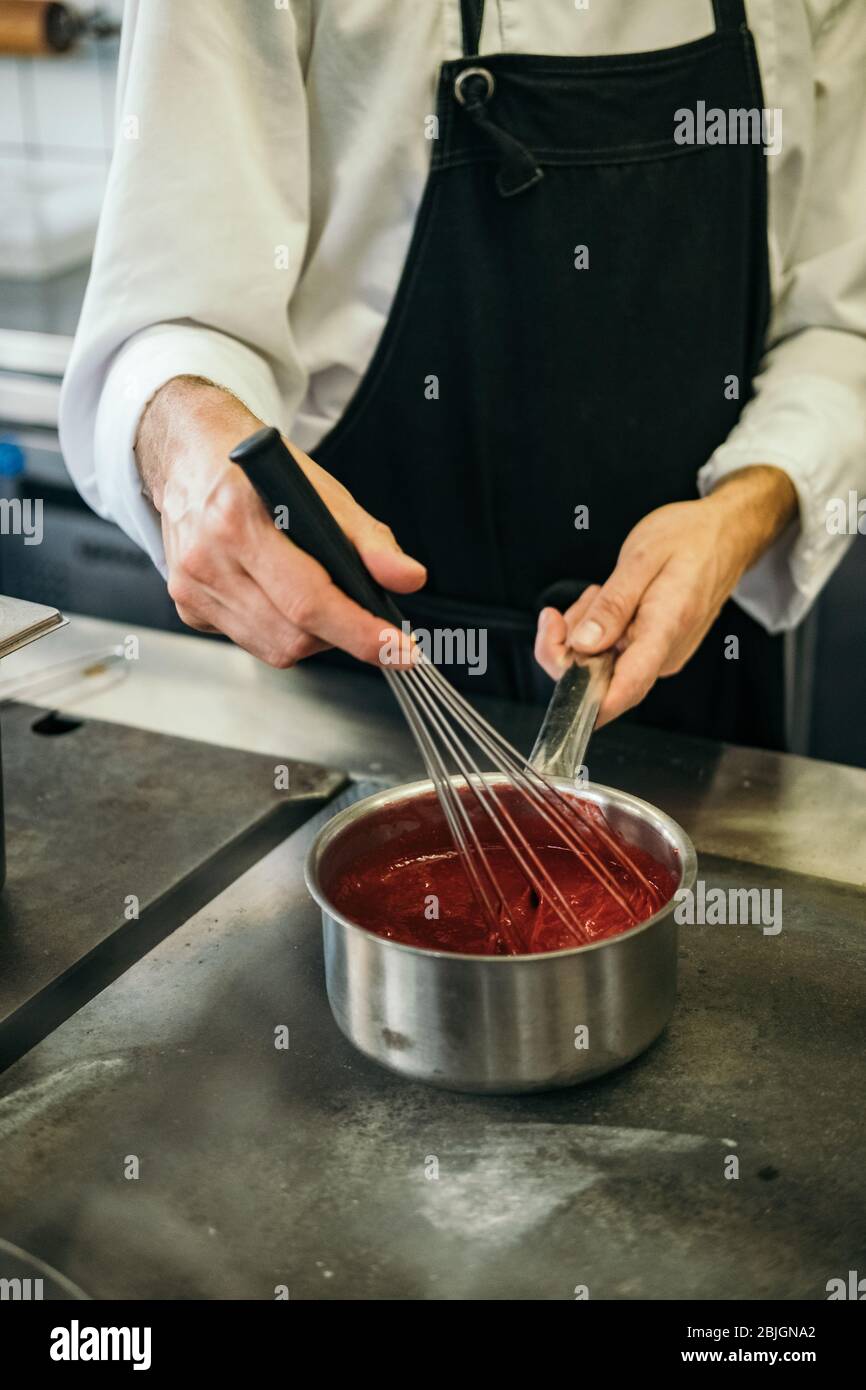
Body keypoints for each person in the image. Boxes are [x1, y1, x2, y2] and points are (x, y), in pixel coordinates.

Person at [60, 0, 866, 749]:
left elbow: (843, 319)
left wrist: (741, 514)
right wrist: (188, 447)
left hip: (699, 674)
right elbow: (167, 326)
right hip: (354, 685)